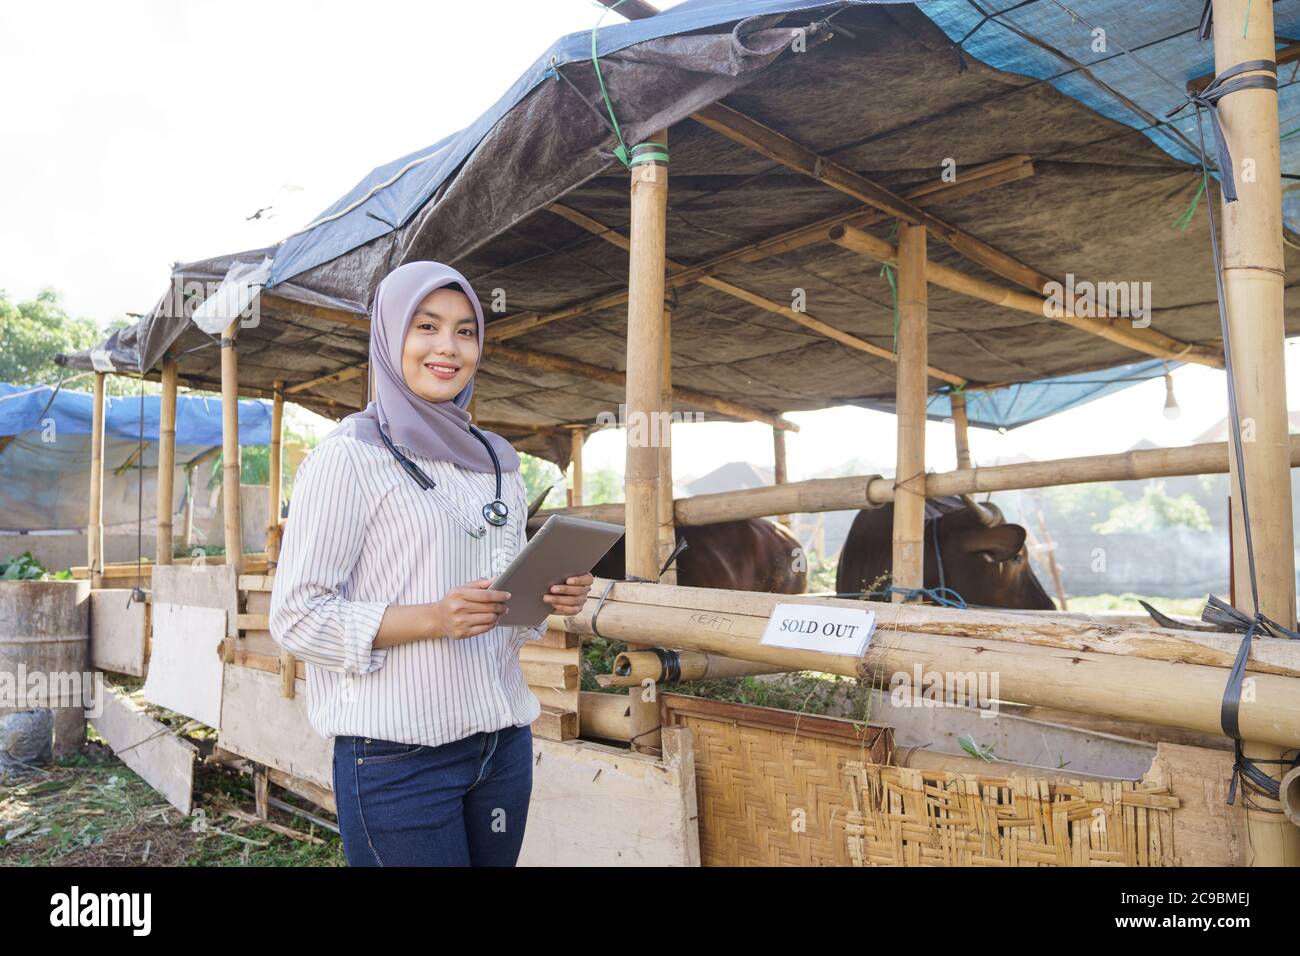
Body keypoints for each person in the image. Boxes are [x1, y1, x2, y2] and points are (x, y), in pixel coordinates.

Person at [269, 261, 593, 866]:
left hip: (501, 746)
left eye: (465, 331)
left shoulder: (497, 463)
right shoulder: (348, 458)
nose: (448, 347)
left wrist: (547, 597)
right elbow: (297, 617)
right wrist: (434, 619)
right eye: (426, 326)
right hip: (398, 758)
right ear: (390, 337)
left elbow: (504, 612)